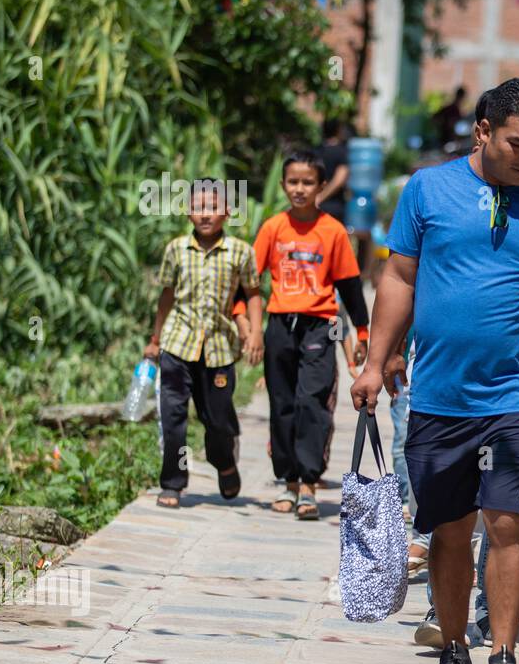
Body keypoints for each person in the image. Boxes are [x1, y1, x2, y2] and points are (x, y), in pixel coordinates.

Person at [352, 78, 519, 664]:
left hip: (514, 395)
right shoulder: (426, 190)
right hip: (435, 396)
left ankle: (505, 658)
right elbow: (399, 275)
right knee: (449, 531)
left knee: (508, 523)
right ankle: (454, 649)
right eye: (518, 144)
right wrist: (377, 362)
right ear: (483, 131)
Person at [253, 151, 370, 520]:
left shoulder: (332, 230)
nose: (299, 189)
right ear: (284, 184)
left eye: (307, 183)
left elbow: (350, 286)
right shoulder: (273, 228)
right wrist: (247, 323)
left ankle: (308, 483)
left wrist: (362, 331)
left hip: (320, 324)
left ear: (321, 186)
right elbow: (248, 280)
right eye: (292, 182)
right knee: (283, 403)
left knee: (313, 401)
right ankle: (288, 481)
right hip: (279, 324)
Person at [146, 179, 263, 509]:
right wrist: (156, 339)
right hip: (177, 344)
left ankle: (224, 462)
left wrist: (255, 333)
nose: (205, 214)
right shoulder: (176, 250)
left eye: (213, 207)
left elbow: (253, 294)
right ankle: (172, 483)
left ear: (227, 212)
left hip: (219, 351)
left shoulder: (240, 251)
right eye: (198, 207)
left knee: (218, 421)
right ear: (188, 212)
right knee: (173, 417)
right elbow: (166, 296)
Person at [315, 119, 352, 224]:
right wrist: (321, 197)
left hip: (314, 207)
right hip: (334, 207)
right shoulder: (342, 152)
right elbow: (340, 179)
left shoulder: (316, 150)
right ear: (338, 130)